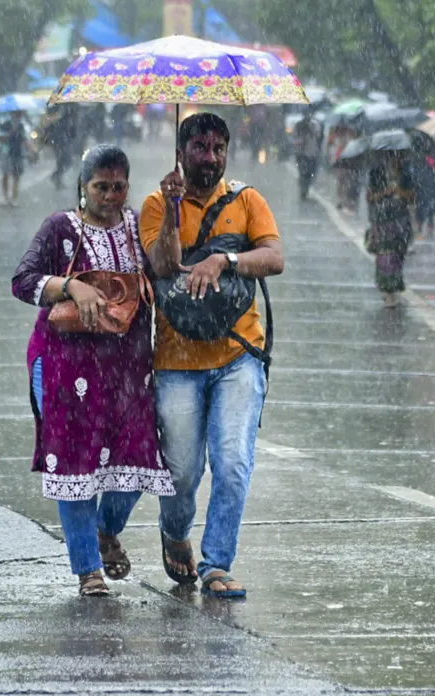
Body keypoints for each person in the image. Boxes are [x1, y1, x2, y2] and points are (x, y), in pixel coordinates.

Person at [11, 144, 174, 597]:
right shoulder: (60, 228)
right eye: (101, 186)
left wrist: (174, 207)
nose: (111, 195)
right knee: (73, 465)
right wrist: (71, 287)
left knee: (140, 456)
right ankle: (88, 570)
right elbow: (22, 281)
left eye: (119, 186)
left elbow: (164, 268)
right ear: (83, 187)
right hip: (65, 365)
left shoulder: (138, 226)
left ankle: (106, 531)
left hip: (127, 370)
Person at [140, 112, 285, 599]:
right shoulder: (158, 204)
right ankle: (174, 530)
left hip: (239, 354)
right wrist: (175, 211)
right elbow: (160, 265)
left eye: (218, 148)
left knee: (233, 462)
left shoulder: (247, 201)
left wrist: (226, 258)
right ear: (181, 152)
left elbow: (274, 257)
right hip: (176, 361)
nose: (210, 157)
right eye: (200, 147)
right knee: (181, 470)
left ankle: (217, 562)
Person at [366, 155, 416, 308]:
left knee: (397, 256)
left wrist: (400, 192)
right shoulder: (376, 172)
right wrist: (385, 193)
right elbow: (370, 197)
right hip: (382, 221)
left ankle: (393, 287)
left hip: (400, 222)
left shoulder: (406, 174)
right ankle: (388, 291)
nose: (395, 160)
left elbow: (412, 197)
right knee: (384, 256)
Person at [0, 110, 28, 206]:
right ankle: (5, 197)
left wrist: (31, 150)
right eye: (17, 113)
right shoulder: (5, 124)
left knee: (16, 175)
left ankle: (14, 198)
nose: (18, 116)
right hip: (7, 152)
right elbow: (1, 138)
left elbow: (24, 139)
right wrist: (11, 132)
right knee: (6, 174)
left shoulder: (21, 126)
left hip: (18, 153)